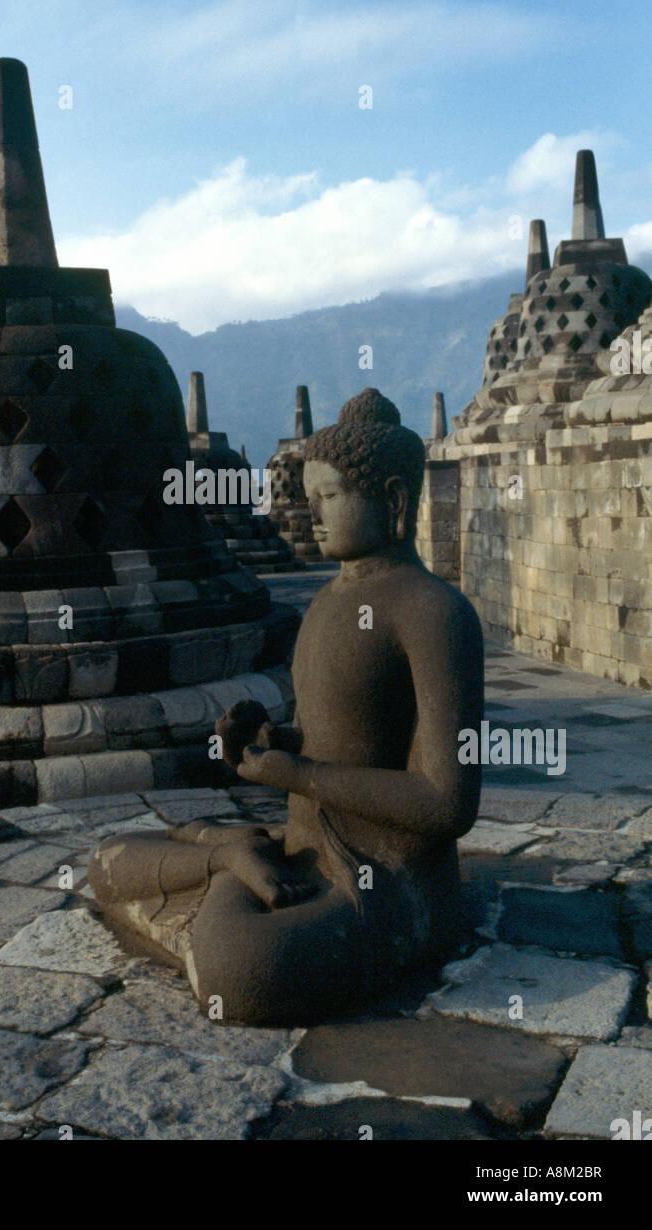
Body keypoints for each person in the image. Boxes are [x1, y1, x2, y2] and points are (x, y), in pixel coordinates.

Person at [88, 389, 484, 1026]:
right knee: (105, 860)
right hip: (302, 849)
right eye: (307, 496)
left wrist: (296, 776)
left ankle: (225, 872)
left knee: (244, 972)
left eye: (327, 498)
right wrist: (273, 742)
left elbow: (446, 803)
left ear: (393, 499)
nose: (311, 513)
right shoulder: (328, 601)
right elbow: (341, 736)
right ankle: (230, 860)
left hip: (384, 880)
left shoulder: (434, 612)